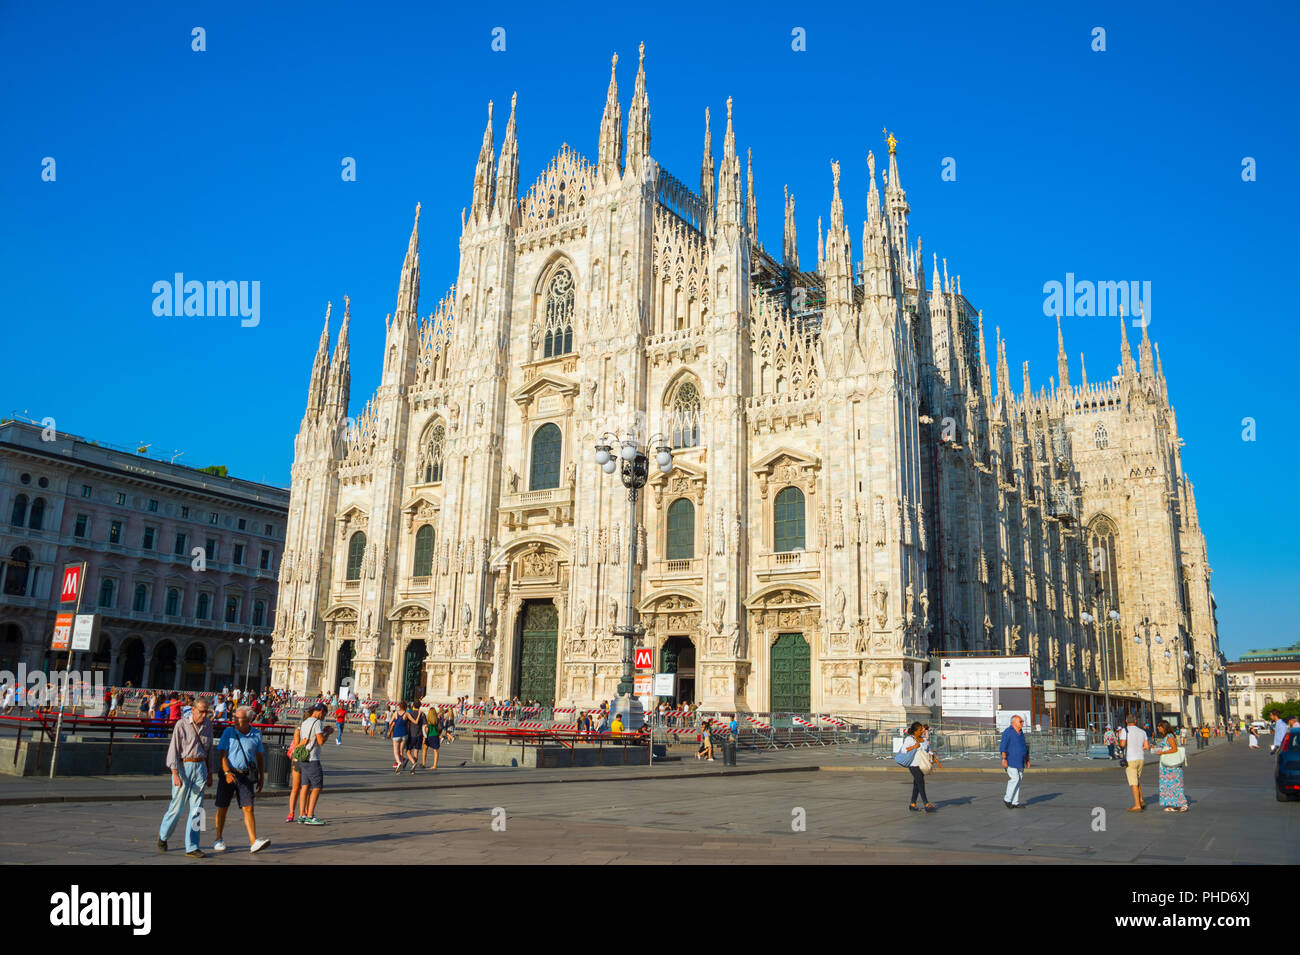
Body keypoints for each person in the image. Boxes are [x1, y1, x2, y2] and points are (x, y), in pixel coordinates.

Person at [158, 697, 215, 858]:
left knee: (198, 809)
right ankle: (163, 836)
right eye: (202, 711)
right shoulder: (182, 725)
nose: (204, 715)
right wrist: (175, 773)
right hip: (184, 767)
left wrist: (210, 772)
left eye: (207, 712)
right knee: (177, 807)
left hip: (201, 767)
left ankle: (192, 846)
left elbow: (210, 751)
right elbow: (173, 750)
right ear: (194, 710)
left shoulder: (208, 725)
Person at [214, 706, 271, 853]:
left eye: (238, 719)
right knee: (223, 807)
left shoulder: (256, 734)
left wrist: (262, 777)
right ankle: (218, 838)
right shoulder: (229, 732)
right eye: (234, 718)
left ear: (249, 720)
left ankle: (253, 842)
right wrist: (227, 772)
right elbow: (222, 755)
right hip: (229, 773)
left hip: (245, 775)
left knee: (248, 807)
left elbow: (259, 756)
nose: (235, 721)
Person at [295, 703, 331, 824]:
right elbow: (320, 741)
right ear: (320, 711)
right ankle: (310, 816)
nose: (324, 717)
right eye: (324, 714)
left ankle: (302, 815)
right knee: (317, 787)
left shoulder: (305, 722)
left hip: (303, 759)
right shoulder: (317, 722)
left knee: (305, 786)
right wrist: (328, 733)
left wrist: (322, 732)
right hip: (312, 759)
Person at [898, 721, 940, 812]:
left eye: (922, 730)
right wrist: (914, 747)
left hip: (922, 764)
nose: (922, 731)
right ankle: (926, 804)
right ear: (915, 731)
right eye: (920, 730)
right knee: (920, 782)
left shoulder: (923, 739)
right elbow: (903, 750)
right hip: (913, 765)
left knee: (917, 784)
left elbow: (928, 749)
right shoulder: (910, 739)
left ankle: (912, 804)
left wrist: (933, 757)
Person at [1151, 719, 1189, 813]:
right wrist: (1155, 748)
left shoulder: (1170, 737)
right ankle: (1174, 805)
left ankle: (1183, 803)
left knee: (1176, 785)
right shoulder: (1165, 737)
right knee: (1168, 786)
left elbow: (1174, 749)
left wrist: (1163, 752)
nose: (1157, 728)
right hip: (1166, 766)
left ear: (1163, 727)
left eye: (1159, 726)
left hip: (1173, 767)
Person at [1119, 713, 1149, 812]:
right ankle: (1141, 800)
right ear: (1135, 721)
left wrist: (1120, 742)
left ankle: (1137, 805)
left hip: (1131, 758)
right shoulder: (1142, 731)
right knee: (1137, 780)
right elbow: (1146, 746)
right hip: (1140, 758)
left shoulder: (1125, 730)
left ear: (1126, 721)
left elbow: (1122, 744)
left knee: (1133, 783)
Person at [1000, 714, 1030, 809]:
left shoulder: (1021, 732)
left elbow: (1024, 746)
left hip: (1020, 761)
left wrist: (1027, 759)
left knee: (1019, 780)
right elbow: (1003, 747)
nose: (1022, 723)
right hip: (1011, 760)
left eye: (1022, 721)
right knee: (1015, 778)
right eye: (1020, 721)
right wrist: (1004, 759)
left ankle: (1015, 802)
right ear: (1014, 722)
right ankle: (1007, 799)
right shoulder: (1008, 732)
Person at [389, 701, 415, 773]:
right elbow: (414, 721)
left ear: (399, 706)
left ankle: (399, 763)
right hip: (404, 734)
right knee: (401, 751)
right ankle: (401, 766)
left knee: (395, 751)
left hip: (397, 734)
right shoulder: (407, 714)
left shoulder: (395, 713)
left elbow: (390, 722)